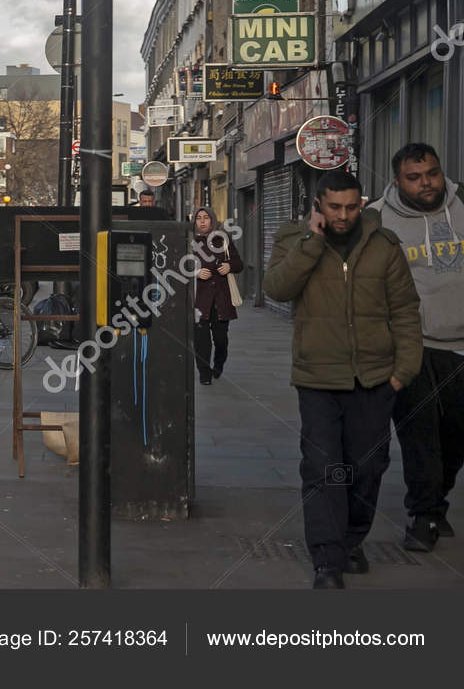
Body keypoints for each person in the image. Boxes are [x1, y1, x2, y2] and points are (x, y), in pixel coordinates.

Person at [263, 169, 423, 589]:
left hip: (374, 378)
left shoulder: (383, 244)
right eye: (334, 207)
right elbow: (276, 288)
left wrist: (403, 372)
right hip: (318, 378)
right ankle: (327, 560)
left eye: (351, 207)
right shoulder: (294, 239)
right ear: (318, 204)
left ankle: (352, 539)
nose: (343, 215)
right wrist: (312, 242)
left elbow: (405, 309)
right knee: (323, 468)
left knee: (367, 467)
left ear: (361, 204)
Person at [370, 142, 464, 552]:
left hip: (460, 343)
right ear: (397, 180)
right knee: (419, 434)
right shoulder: (376, 219)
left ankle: (436, 500)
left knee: (456, 434)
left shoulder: (463, 204)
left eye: (432, 174)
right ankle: (423, 515)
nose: (426, 183)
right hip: (409, 344)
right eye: (414, 177)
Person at [191, 206, 243, 385]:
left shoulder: (223, 239)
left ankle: (219, 364)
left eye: (206, 217)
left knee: (221, 340)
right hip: (199, 300)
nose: (202, 221)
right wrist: (196, 272)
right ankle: (204, 374)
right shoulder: (189, 241)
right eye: (199, 218)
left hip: (221, 300)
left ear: (212, 220)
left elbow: (239, 264)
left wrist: (229, 266)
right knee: (201, 342)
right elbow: (177, 266)